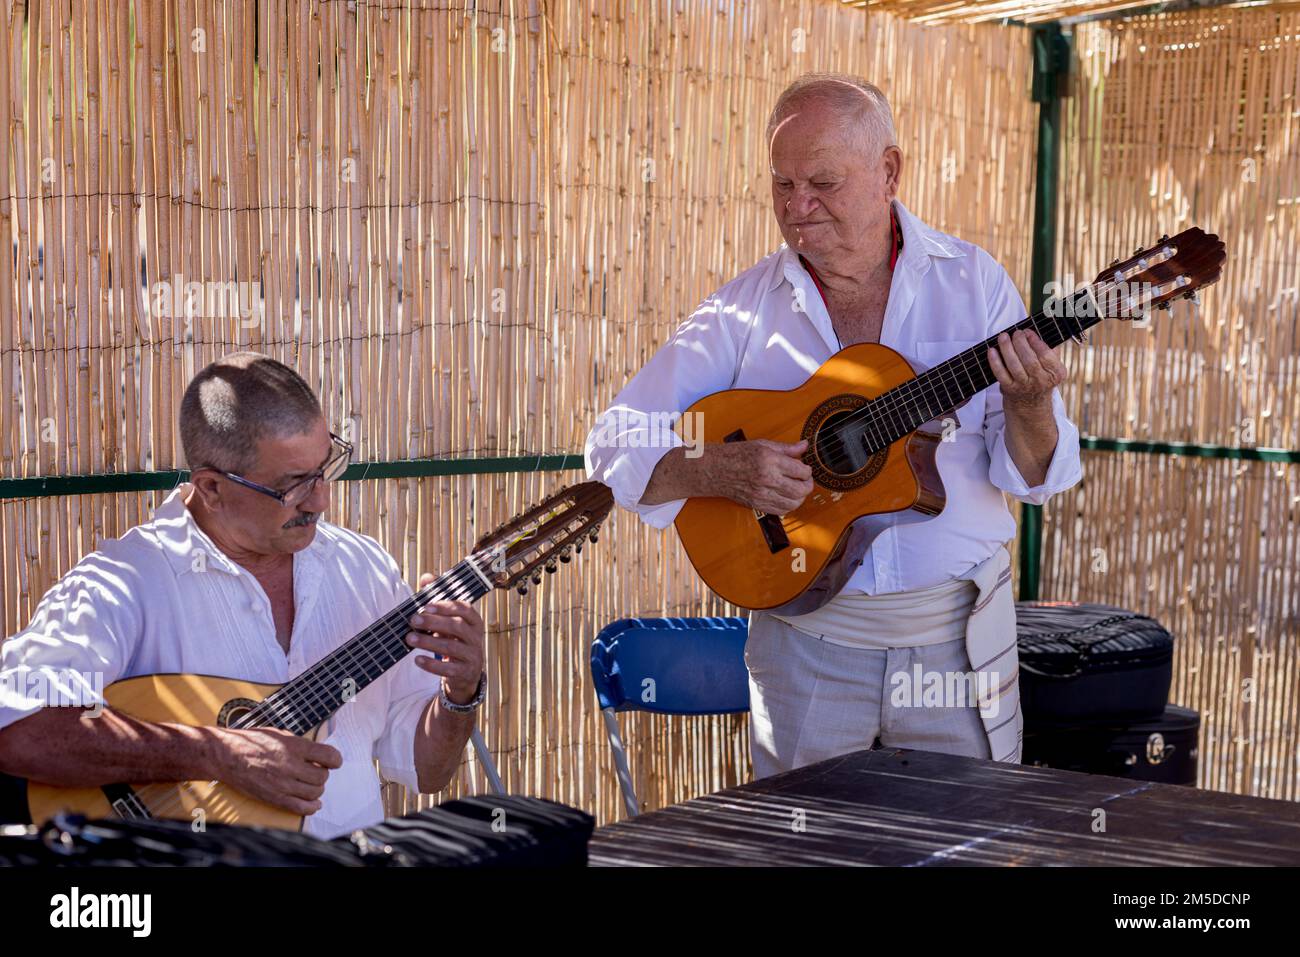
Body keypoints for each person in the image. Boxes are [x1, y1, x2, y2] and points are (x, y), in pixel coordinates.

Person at [585, 73, 1083, 777]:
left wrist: (1031, 406)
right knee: (806, 847)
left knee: (966, 841)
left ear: (889, 171)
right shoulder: (742, 311)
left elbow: (1033, 476)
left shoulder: (973, 283)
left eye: (822, 181)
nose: (798, 206)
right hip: (805, 648)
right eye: (782, 185)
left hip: (956, 640)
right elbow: (614, 440)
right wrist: (716, 470)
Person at [0, 352, 487, 837]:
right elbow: (19, 730)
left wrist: (459, 694)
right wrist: (217, 753)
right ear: (211, 488)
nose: (321, 499)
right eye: (293, 485)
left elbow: (427, 771)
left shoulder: (363, 569)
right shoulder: (124, 583)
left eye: (325, 468)